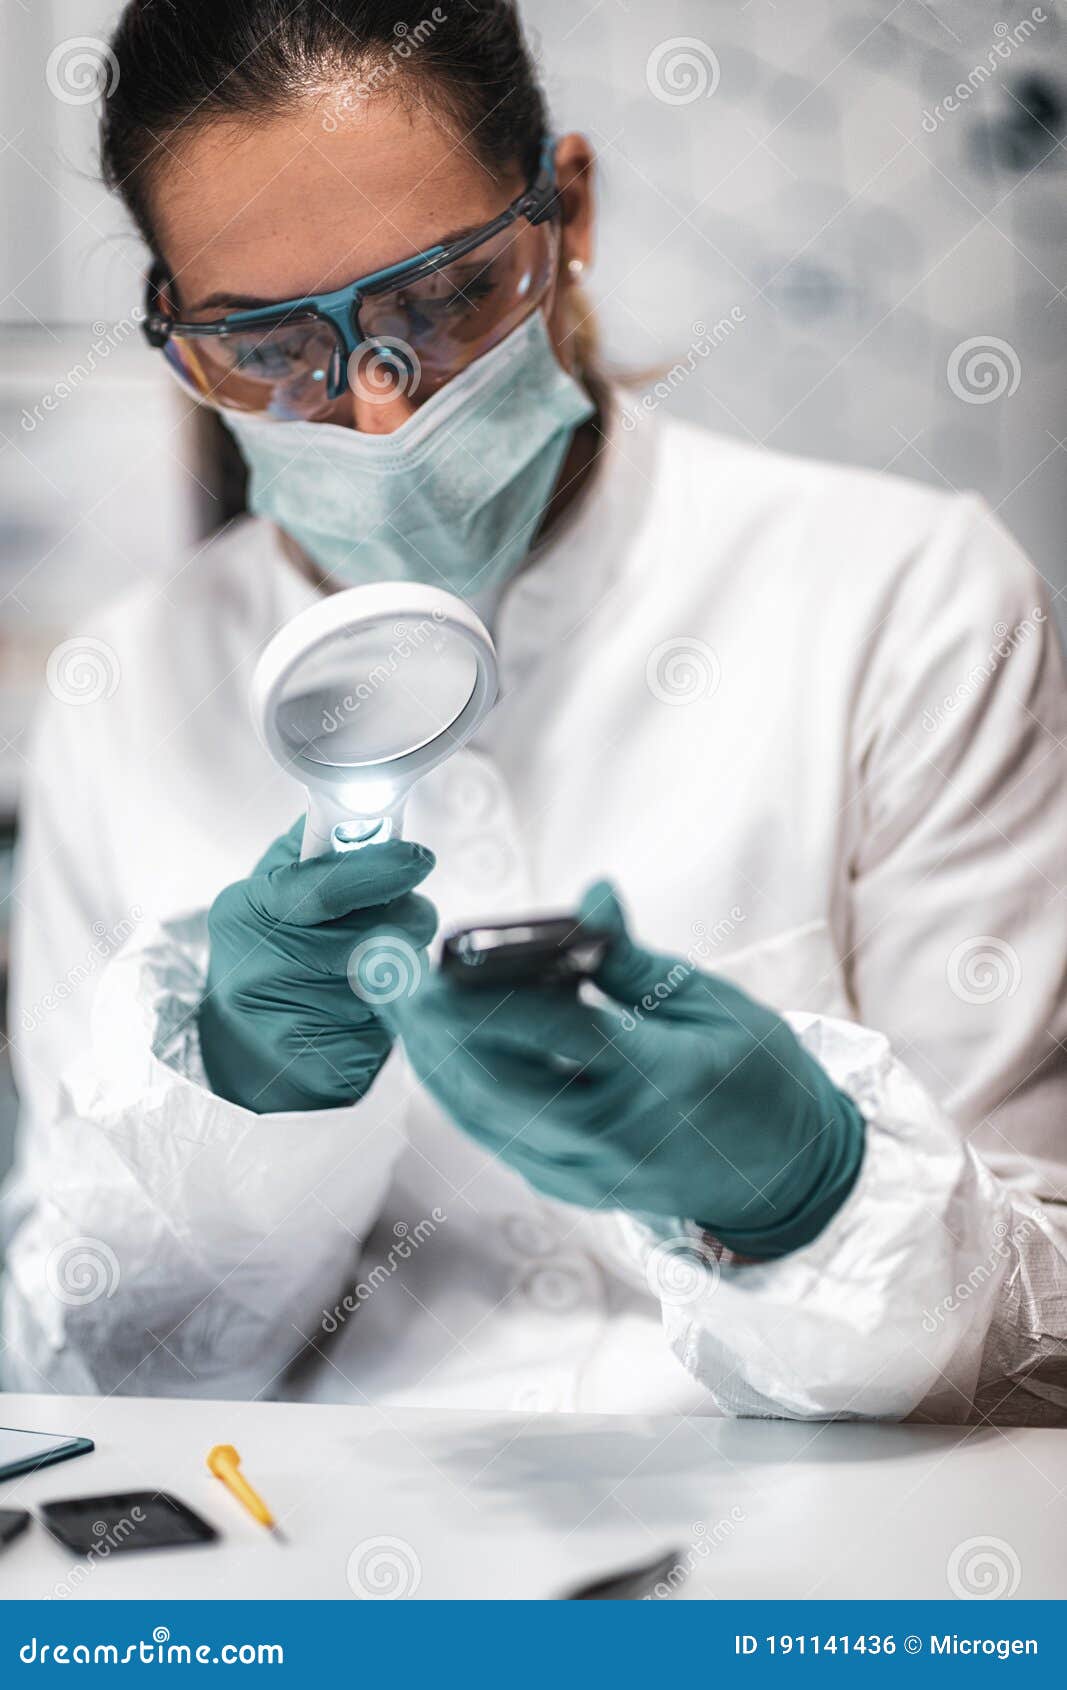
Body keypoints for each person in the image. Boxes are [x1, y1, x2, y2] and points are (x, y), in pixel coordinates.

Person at [3, 0, 1066, 1424]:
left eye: (440, 301)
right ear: (176, 329)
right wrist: (226, 1112)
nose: (380, 416)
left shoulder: (905, 598)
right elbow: (75, 1378)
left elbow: (1036, 1344)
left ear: (563, 210)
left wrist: (814, 1187)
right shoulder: (119, 696)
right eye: (266, 343)